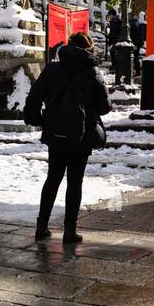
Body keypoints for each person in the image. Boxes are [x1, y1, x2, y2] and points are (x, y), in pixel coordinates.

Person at [24, 32, 112, 244]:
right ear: (88, 48)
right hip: (81, 135)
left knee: (52, 178)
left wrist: (37, 119)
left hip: (55, 131)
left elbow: (34, 96)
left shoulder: (53, 69)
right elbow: (105, 106)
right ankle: (70, 230)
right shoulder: (92, 72)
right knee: (75, 182)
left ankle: (42, 226)